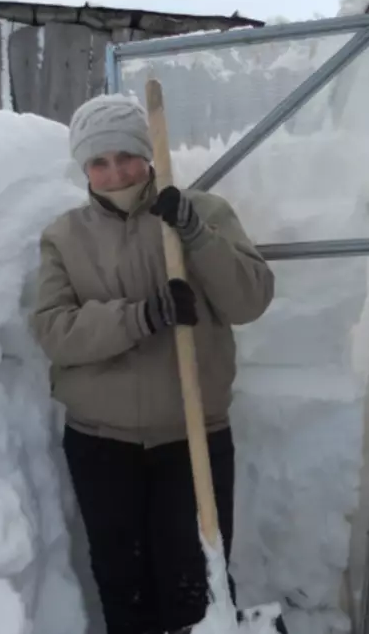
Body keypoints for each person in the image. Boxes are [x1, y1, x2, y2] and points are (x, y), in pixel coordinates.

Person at [30, 93, 275, 634]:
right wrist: (142, 315)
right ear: (84, 169)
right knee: (124, 584)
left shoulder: (205, 213)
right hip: (101, 443)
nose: (115, 172)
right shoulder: (65, 237)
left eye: (125, 155)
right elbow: (53, 331)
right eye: (98, 161)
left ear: (148, 153)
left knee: (197, 585)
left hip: (193, 439)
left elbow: (249, 301)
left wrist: (193, 234)